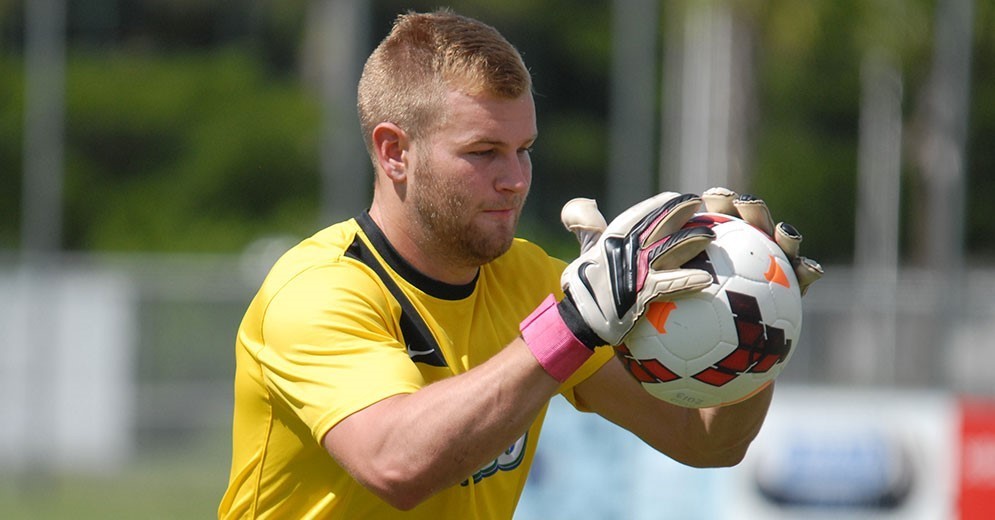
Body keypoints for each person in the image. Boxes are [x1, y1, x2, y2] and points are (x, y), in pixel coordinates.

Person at [218, 9, 823, 519]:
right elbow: (396, 464)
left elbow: (704, 440)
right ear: (394, 151)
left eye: (524, 150)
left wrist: (755, 329)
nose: (514, 180)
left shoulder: (532, 281)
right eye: (483, 152)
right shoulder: (319, 292)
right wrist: (571, 327)